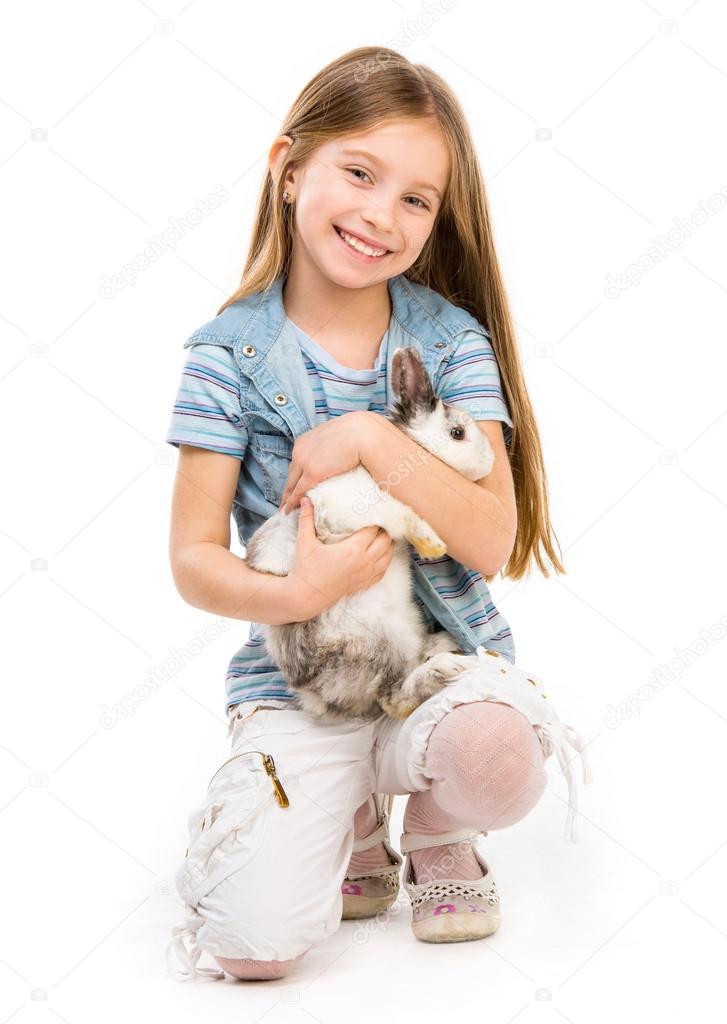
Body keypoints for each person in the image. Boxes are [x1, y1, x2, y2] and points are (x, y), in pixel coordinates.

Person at [164, 45, 590, 983]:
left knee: (495, 755)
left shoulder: (449, 341)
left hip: (431, 666)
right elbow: (193, 559)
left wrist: (368, 436)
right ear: (288, 168)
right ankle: (349, 816)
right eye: (359, 174)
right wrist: (298, 592)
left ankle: (437, 826)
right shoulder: (225, 356)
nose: (380, 216)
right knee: (248, 946)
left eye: (415, 198)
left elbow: (491, 538)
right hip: (303, 685)